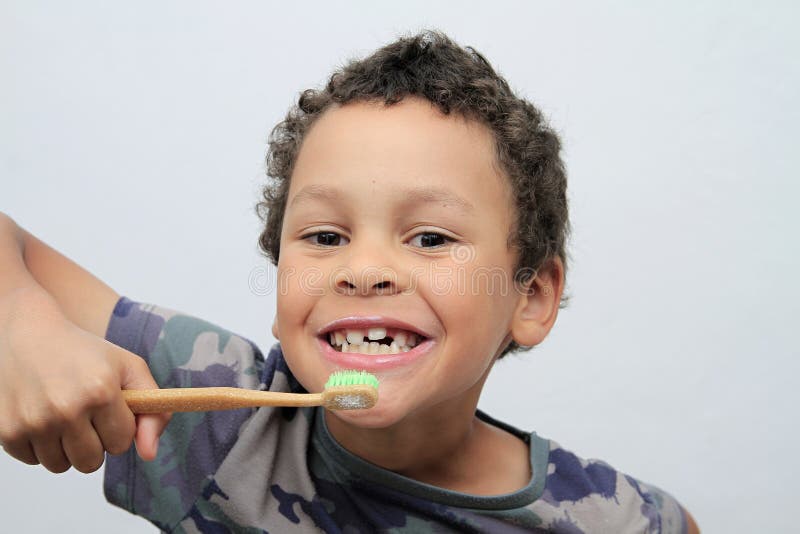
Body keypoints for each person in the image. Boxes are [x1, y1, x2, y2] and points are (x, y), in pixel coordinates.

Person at [0, 31, 700, 533]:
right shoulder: (215, 422)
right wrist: (21, 321)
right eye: (325, 238)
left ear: (532, 296)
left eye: (430, 237)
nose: (361, 271)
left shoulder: (631, 522)